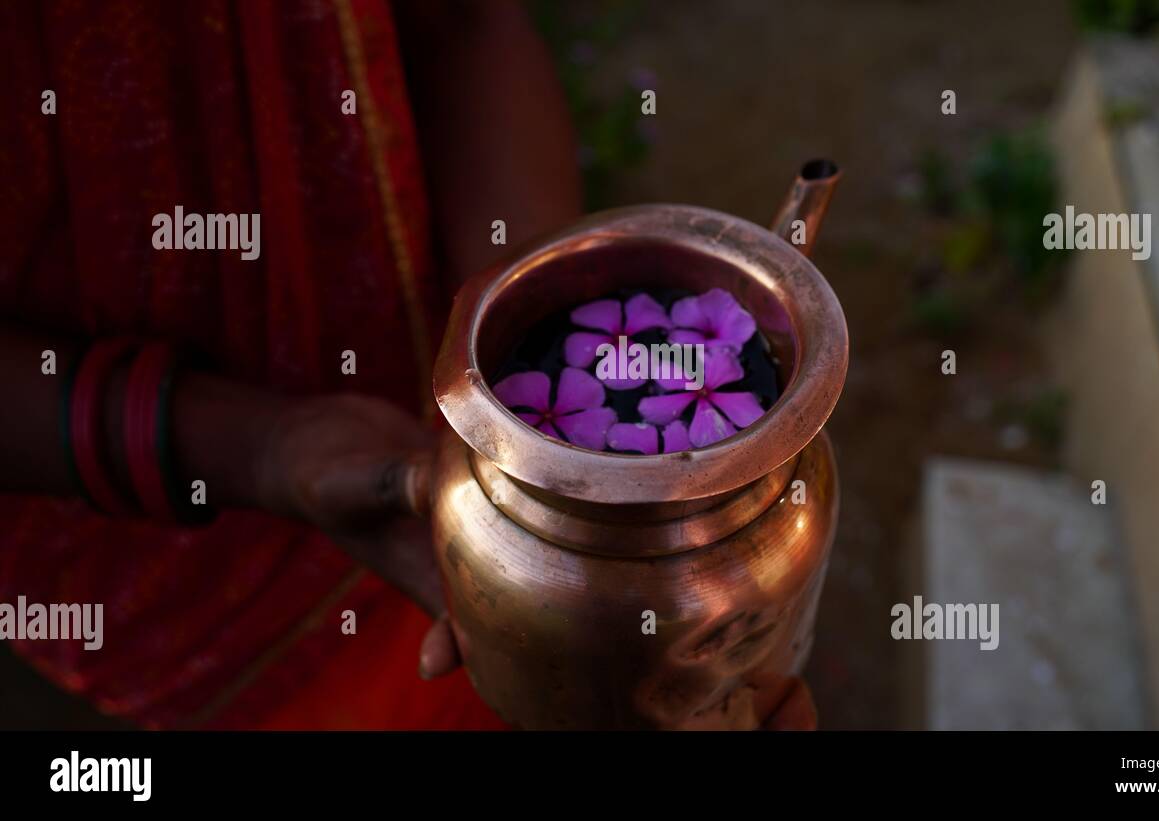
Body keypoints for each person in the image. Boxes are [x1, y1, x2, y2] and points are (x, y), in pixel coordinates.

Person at [0, 0, 814, 730]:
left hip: (448, 380)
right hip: (162, 556)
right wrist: (261, 449)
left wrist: (511, 317)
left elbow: (467, 21)